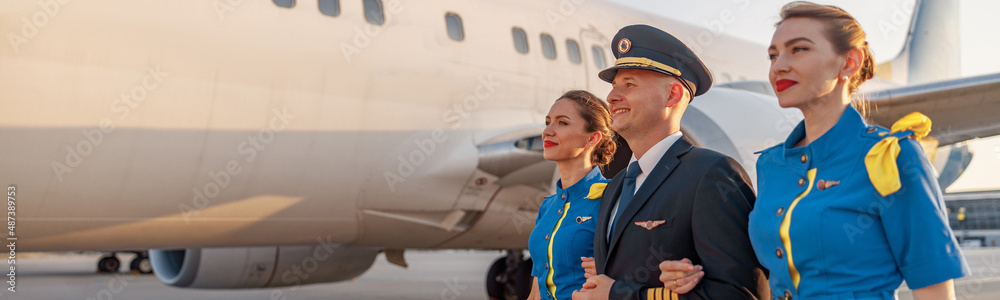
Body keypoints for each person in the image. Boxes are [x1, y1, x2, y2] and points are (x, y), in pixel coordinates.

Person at [746, 2, 968, 299]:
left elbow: (932, 285)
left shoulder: (891, 156)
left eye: (798, 49)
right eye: (773, 55)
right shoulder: (771, 164)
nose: (779, 66)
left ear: (849, 62)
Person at [572, 24, 766, 300]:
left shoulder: (711, 175)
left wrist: (618, 294)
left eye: (629, 84)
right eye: (614, 86)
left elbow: (742, 294)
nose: (612, 97)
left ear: (672, 95)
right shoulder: (615, 186)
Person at [527, 90, 617, 300]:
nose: (547, 131)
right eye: (548, 122)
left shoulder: (612, 197)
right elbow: (536, 291)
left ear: (592, 138)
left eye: (562, 123)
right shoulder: (547, 207)